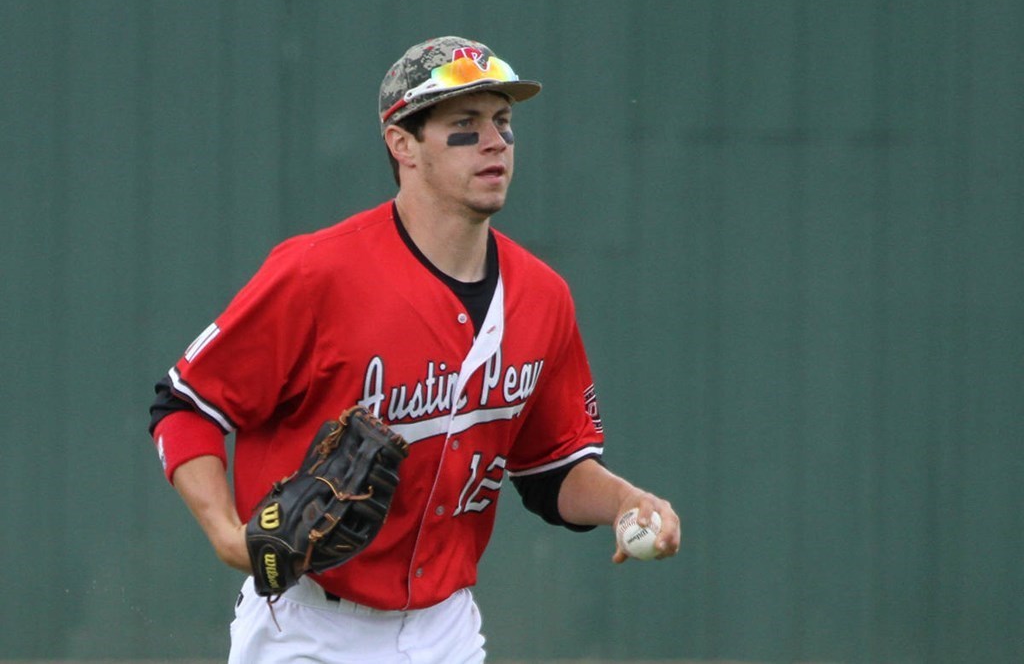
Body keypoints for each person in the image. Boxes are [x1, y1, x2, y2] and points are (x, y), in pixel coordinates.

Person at [148, 35, 680, 663]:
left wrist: (625, 500)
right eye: (464, 125)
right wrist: (226, 534)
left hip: (445, 631)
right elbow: (186, 405)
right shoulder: (319, 274)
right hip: (309, 627)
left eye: (503, 122)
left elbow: (551, 470)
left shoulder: (543, 297)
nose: (495, 142)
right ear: (402, 143)